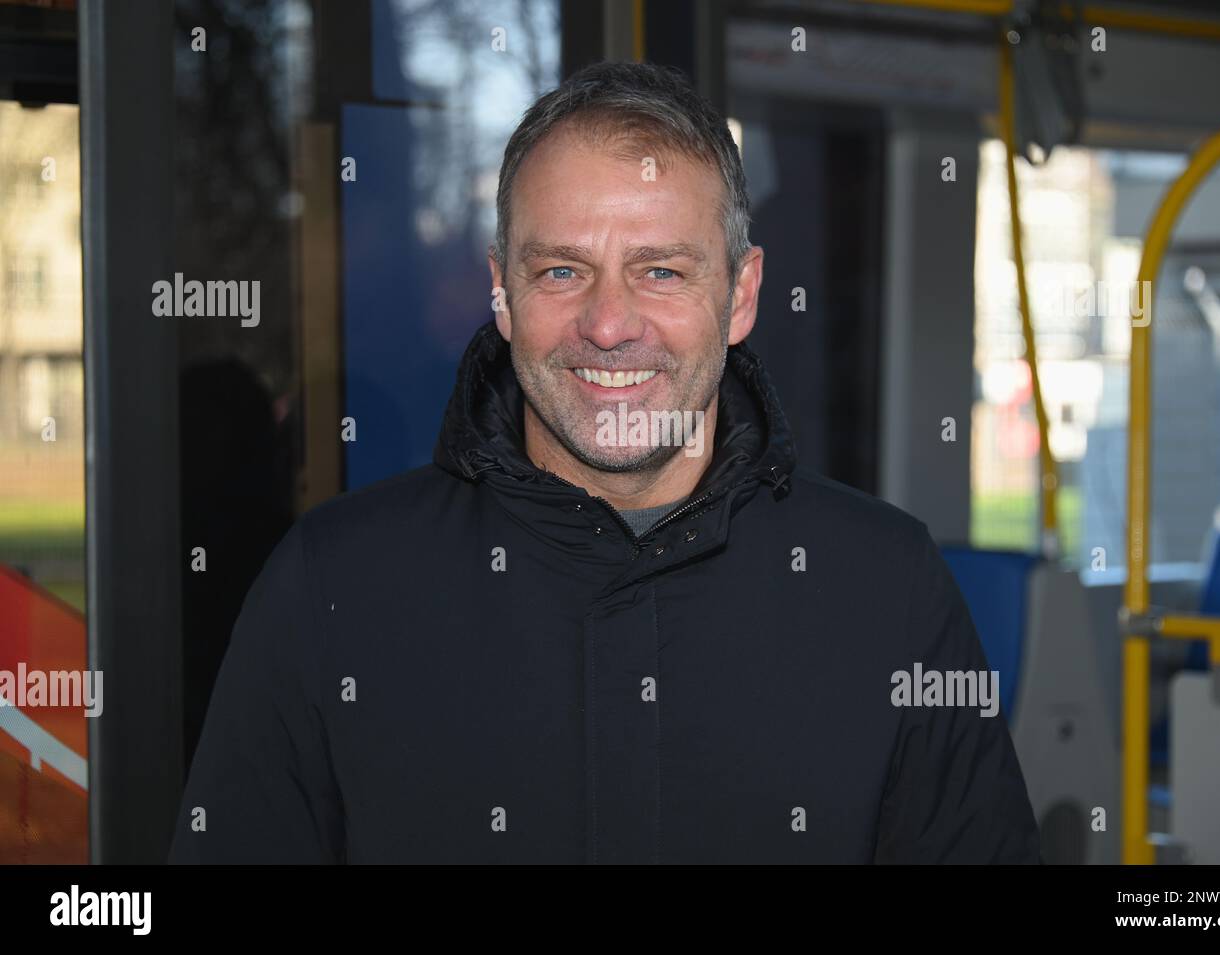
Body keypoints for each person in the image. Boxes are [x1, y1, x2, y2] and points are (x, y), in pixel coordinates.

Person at [168, 60, 1040, 864]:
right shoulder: (330, 584)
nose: (610, 323)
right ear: (502, 293)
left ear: (740, 295)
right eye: (560, 272)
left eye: (660, 271)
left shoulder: (887, 586)